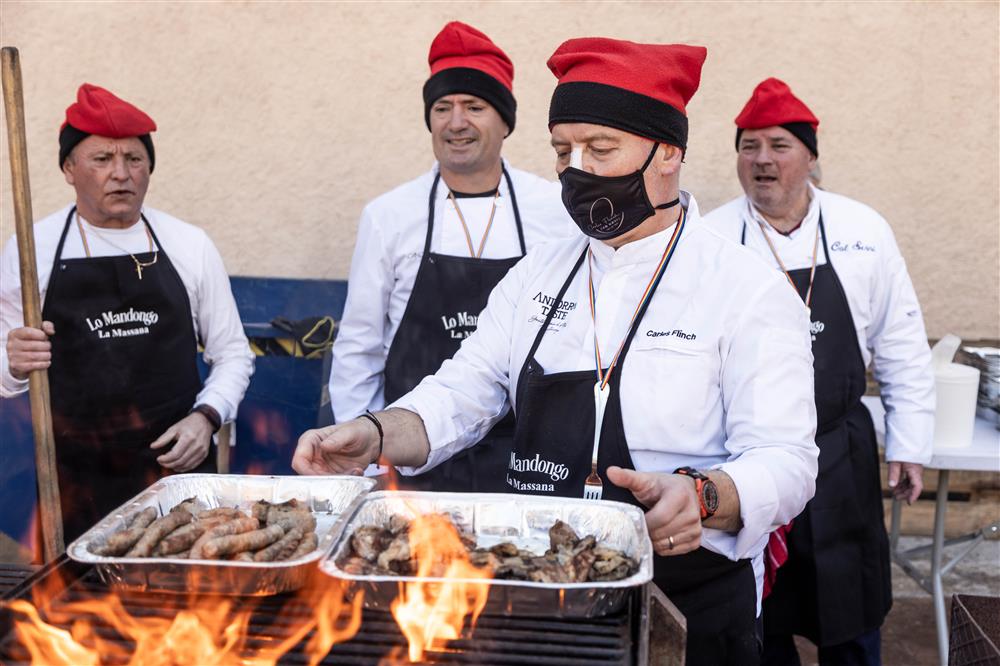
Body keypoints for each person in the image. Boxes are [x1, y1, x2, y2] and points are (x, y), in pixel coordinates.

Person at [296, 38, 819, 665]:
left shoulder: (746, 287)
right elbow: (461, 391)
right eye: (562, 149)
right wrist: (375, 431)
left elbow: (787, 460)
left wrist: (705, 495)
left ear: (669, 153)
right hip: (543, 596)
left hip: (687, 602)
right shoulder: (537, 275)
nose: (576, 169)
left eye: (599, 149)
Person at [704, 77, 935, 665]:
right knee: (762, 613)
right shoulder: (712, 239)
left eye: (779, 145)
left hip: (840, 451)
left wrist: (909, 443)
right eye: (749, 145)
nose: (762, 160)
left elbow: (901, 341)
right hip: (745, 455)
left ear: (810, 155)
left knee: (850, 607)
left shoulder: (863, 231)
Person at [328, 21, 574, 492]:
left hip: (527, 461)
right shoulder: (389, 215)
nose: (455, 122)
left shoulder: (555, 209)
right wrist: (368, 463)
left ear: (505, 121)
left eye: (474, 107)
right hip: (412, 455)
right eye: (442, 108)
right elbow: (359, 347)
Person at [0, 83, 254, 541]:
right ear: (68, 169)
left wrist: (207, 417)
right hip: (73, 480)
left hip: (175, 476)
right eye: (102, 159)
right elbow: (4, 373)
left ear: (149, 169)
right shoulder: (30, 249)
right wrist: (15, 362)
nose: (121, 174)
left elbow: (234, 354)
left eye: (134, 159)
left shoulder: (188, 244)